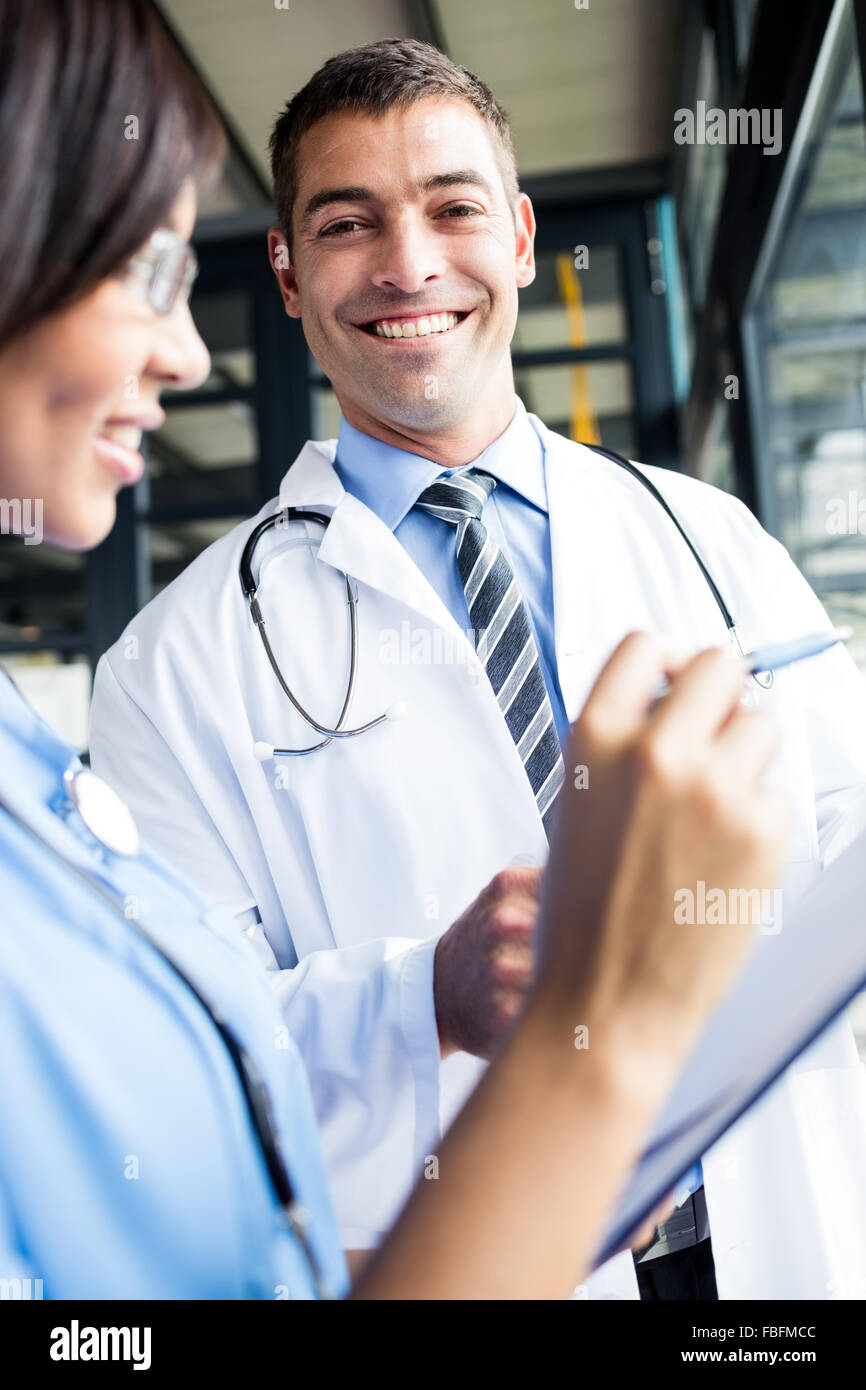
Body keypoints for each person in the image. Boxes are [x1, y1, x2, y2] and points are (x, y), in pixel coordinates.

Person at [0, 0, 787, 1301]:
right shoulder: (176, 656)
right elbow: (210, 1076)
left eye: (453, 208)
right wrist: (427, 989)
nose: (407, 262)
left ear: (523, 239)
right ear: (292, 271)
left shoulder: (708, 539)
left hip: (763, 1231)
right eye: (348, 221)